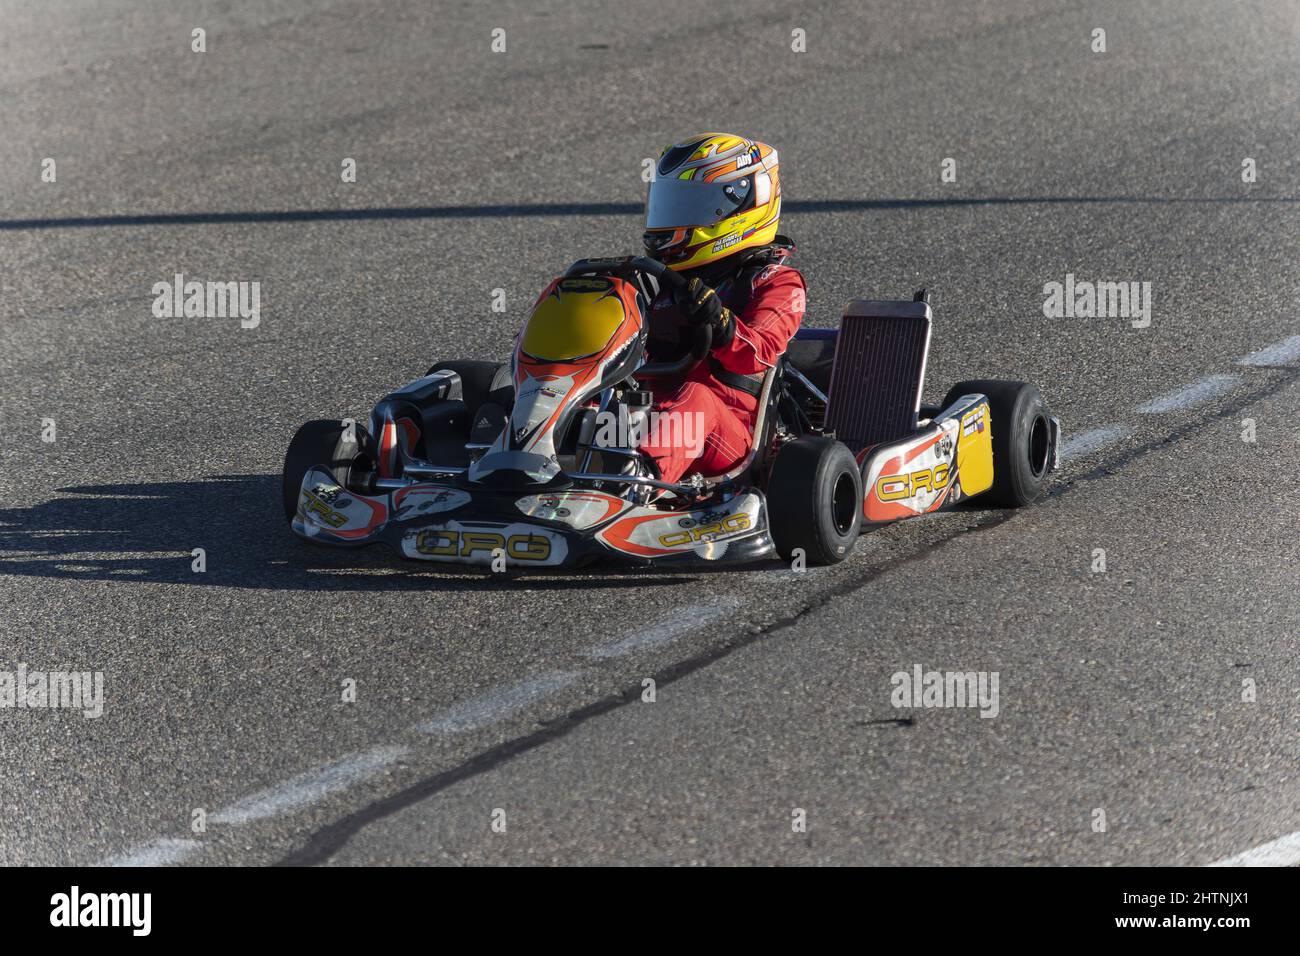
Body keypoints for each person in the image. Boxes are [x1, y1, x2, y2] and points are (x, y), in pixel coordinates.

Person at [639, 133, 805, 484]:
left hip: (730, 439)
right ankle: (513, 465)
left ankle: (635, 483)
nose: (674, 217)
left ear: (745, 204)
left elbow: (758, 354)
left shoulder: (776, 282)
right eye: (671, 204)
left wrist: (721, 322)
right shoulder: (661, 281)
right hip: (644, 413)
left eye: (691, 207)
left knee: (693, 400)